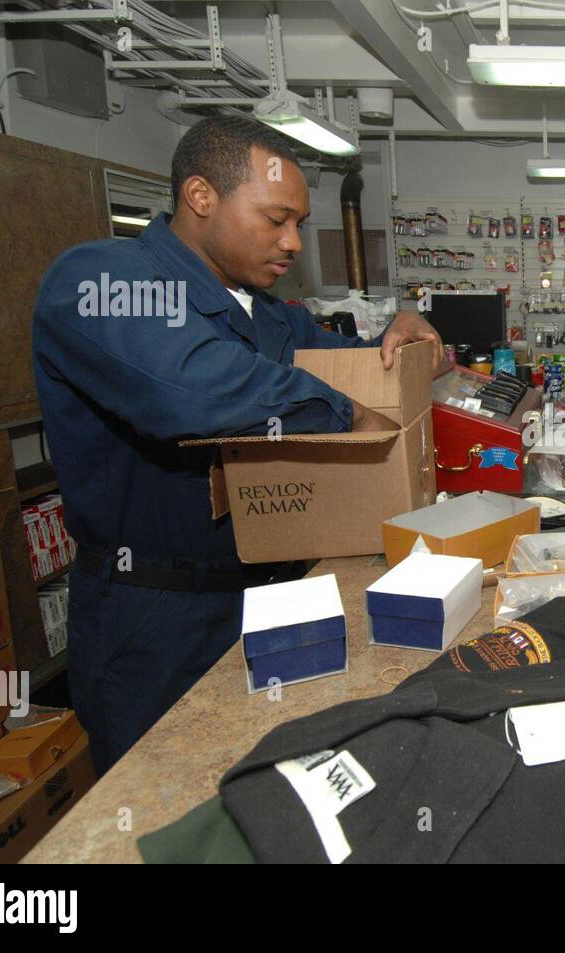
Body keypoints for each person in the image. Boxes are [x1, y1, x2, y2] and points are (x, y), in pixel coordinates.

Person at [32, 115, 442, 774]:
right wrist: (345, 410)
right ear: (200, 197)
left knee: (277, 786)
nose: (292, 242)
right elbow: (192, 393)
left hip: (274, 590)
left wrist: (409, 343)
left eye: (300, 224)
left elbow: (365, 368)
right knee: (161, 802)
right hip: (158, 614)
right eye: (276, 218)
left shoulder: (269, 312)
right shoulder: (101, 281)